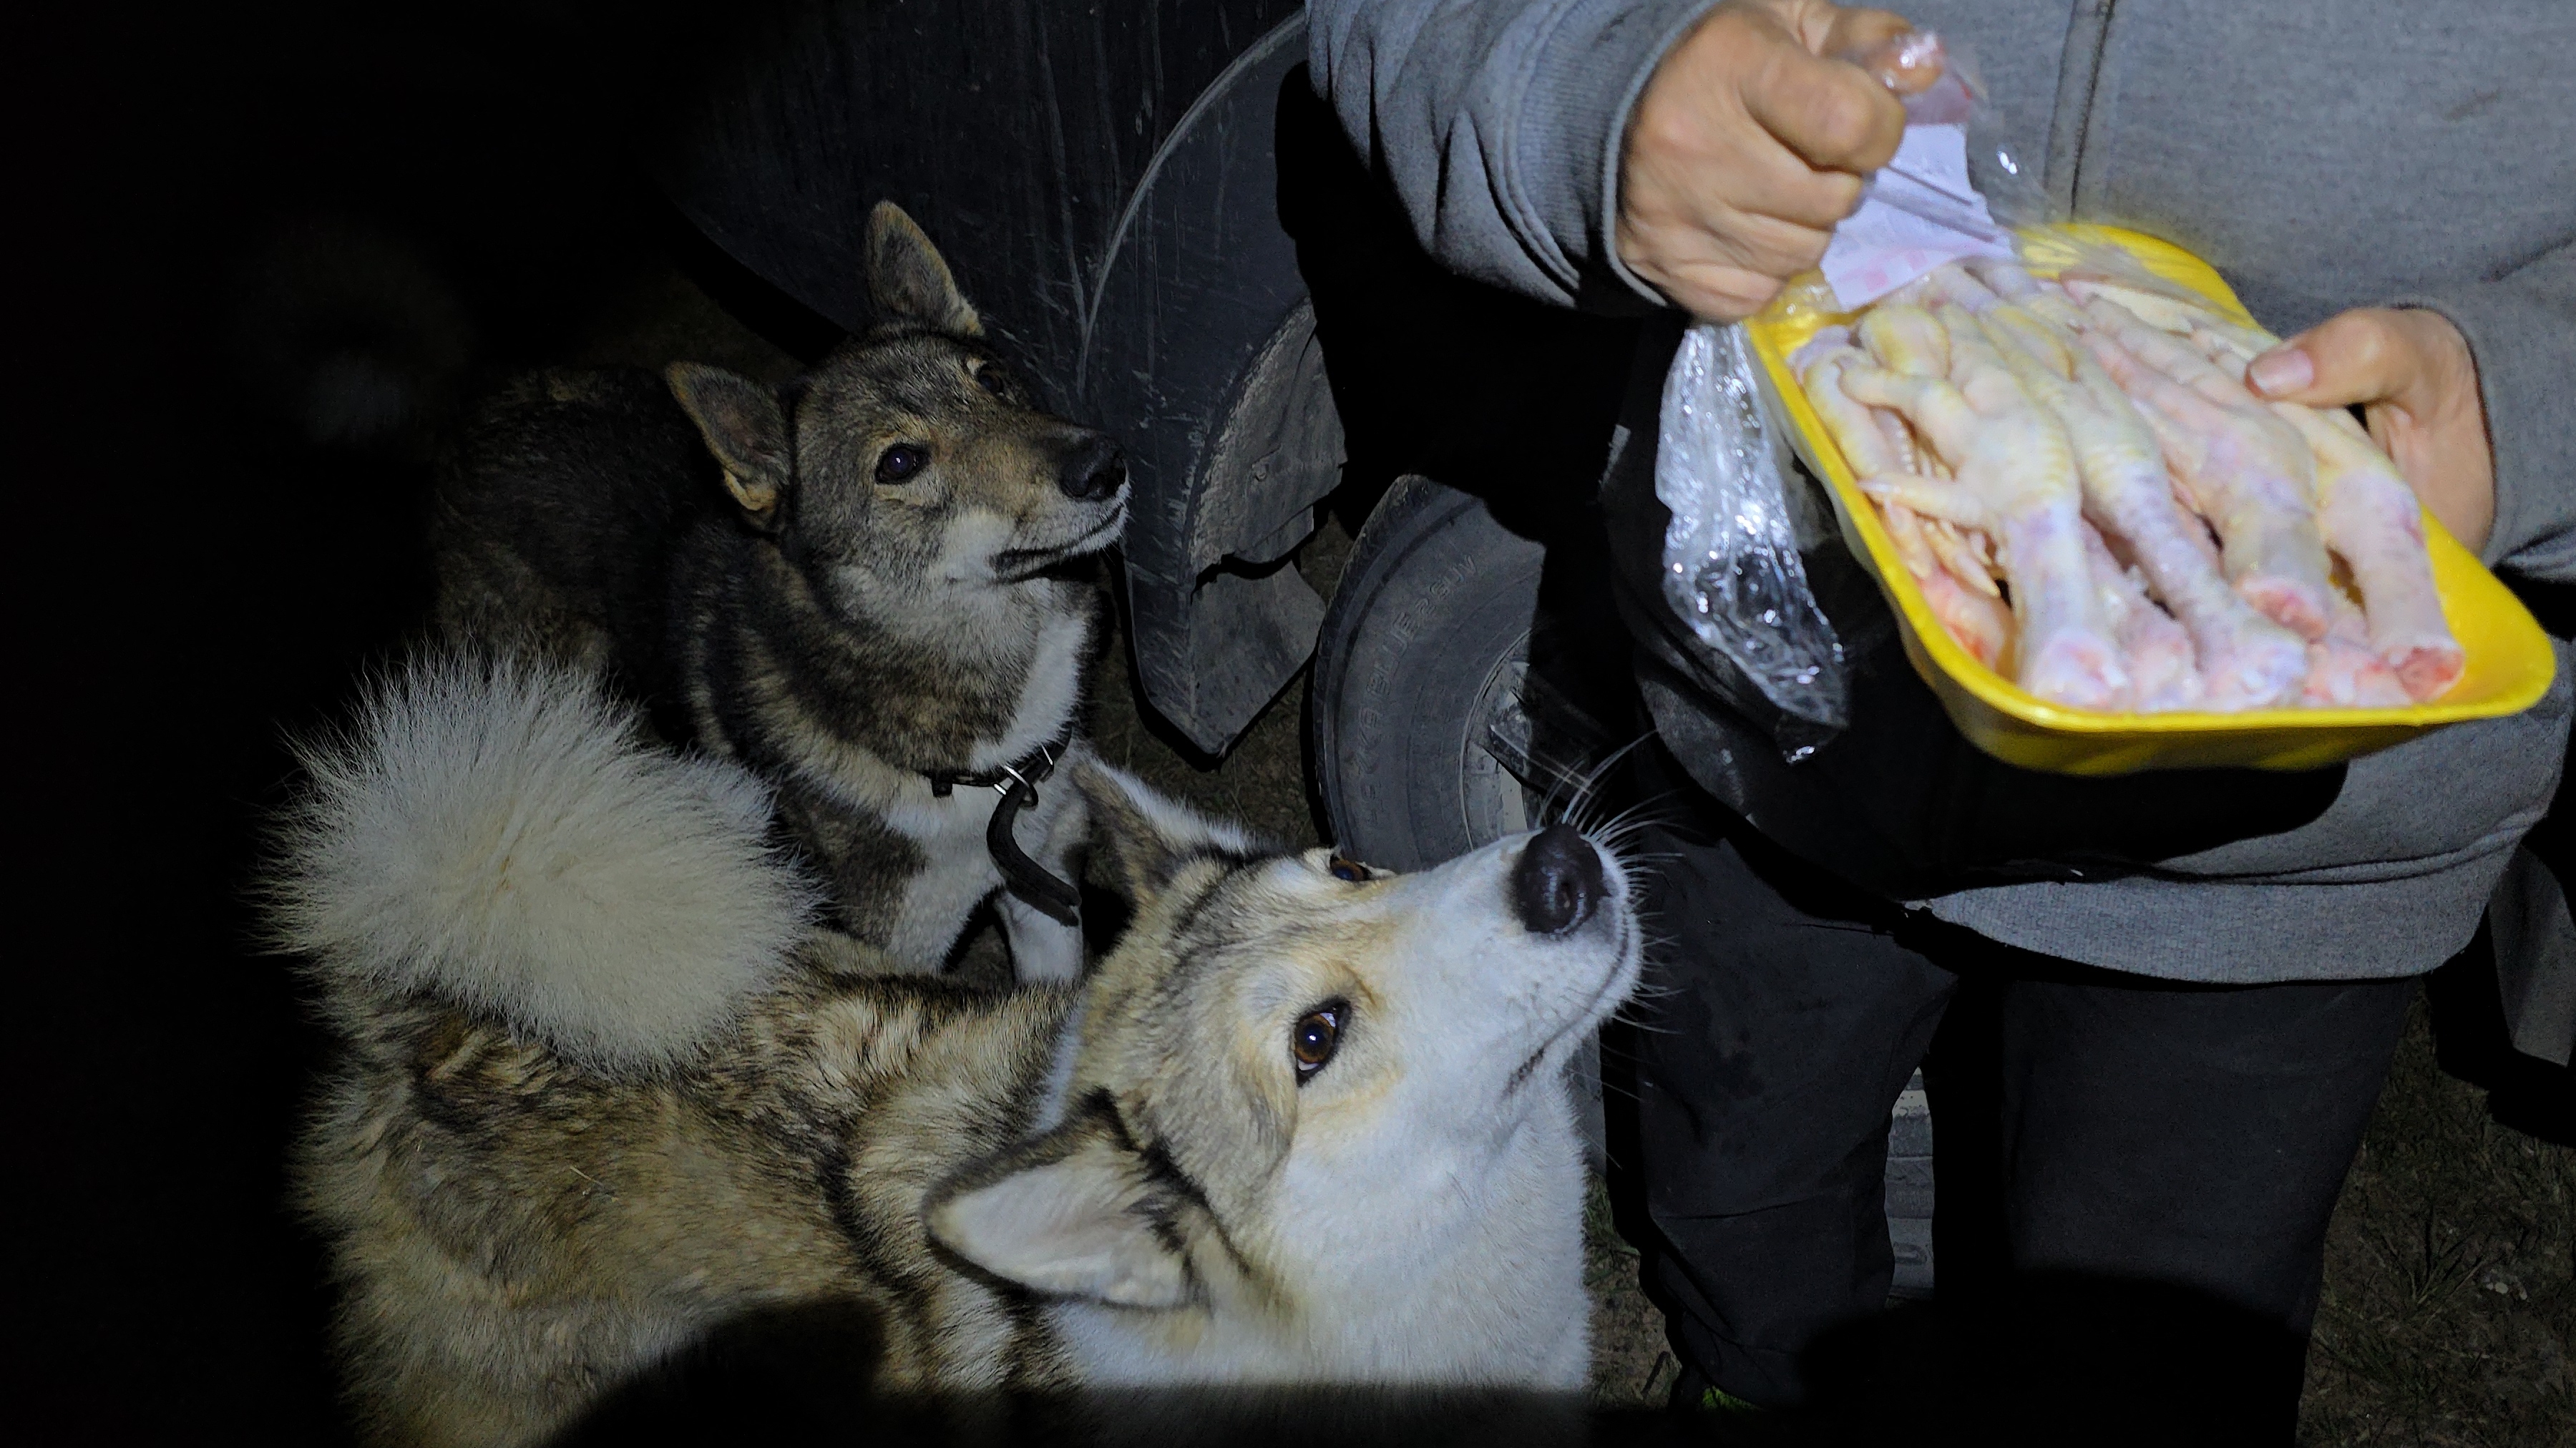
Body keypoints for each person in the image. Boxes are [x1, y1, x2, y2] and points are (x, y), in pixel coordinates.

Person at [1307, 0, 2575, 1439]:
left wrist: (2527, 403)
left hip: (2303, 841)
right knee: (1744, 1218)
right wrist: (1591, 109)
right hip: (1775, 730)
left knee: (2141, 1377)